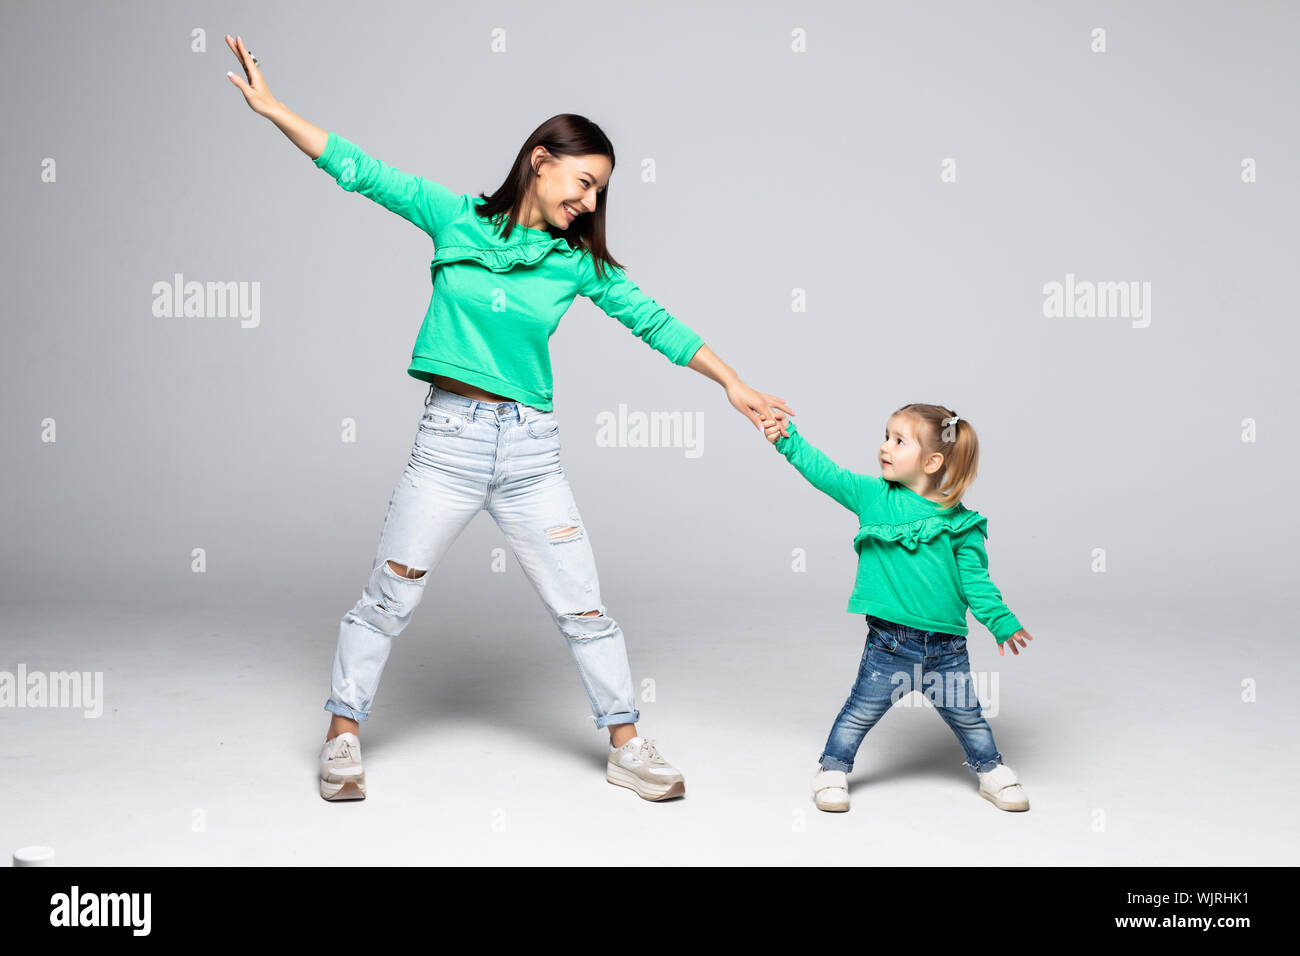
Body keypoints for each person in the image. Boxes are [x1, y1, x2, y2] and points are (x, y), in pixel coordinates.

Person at [224, 35, 795, 802]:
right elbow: (359, 170)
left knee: (585, 608)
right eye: (585, 183)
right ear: (540, 160)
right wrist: (274, 110)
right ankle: (342, 735)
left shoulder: (575, 263)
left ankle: (626, 744)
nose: (590, 203)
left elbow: (654, 322)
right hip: (449, 446)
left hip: (531, 456)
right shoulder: (453, 217)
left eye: (600, 194)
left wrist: (734, 383)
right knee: (388, 597)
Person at [758, 404, 1035, 812]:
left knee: (969, 716)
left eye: (898, 441)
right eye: (886, 436)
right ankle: (831, 769)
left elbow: (976, 582)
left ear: (933, 460)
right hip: (889, 645)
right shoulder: (873, 496)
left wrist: (1001, 622)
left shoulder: (960, 524)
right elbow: (825, 472)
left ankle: (990, 769)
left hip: (946, 650)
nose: (884, 447)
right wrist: (787, 438)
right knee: (859, 712)